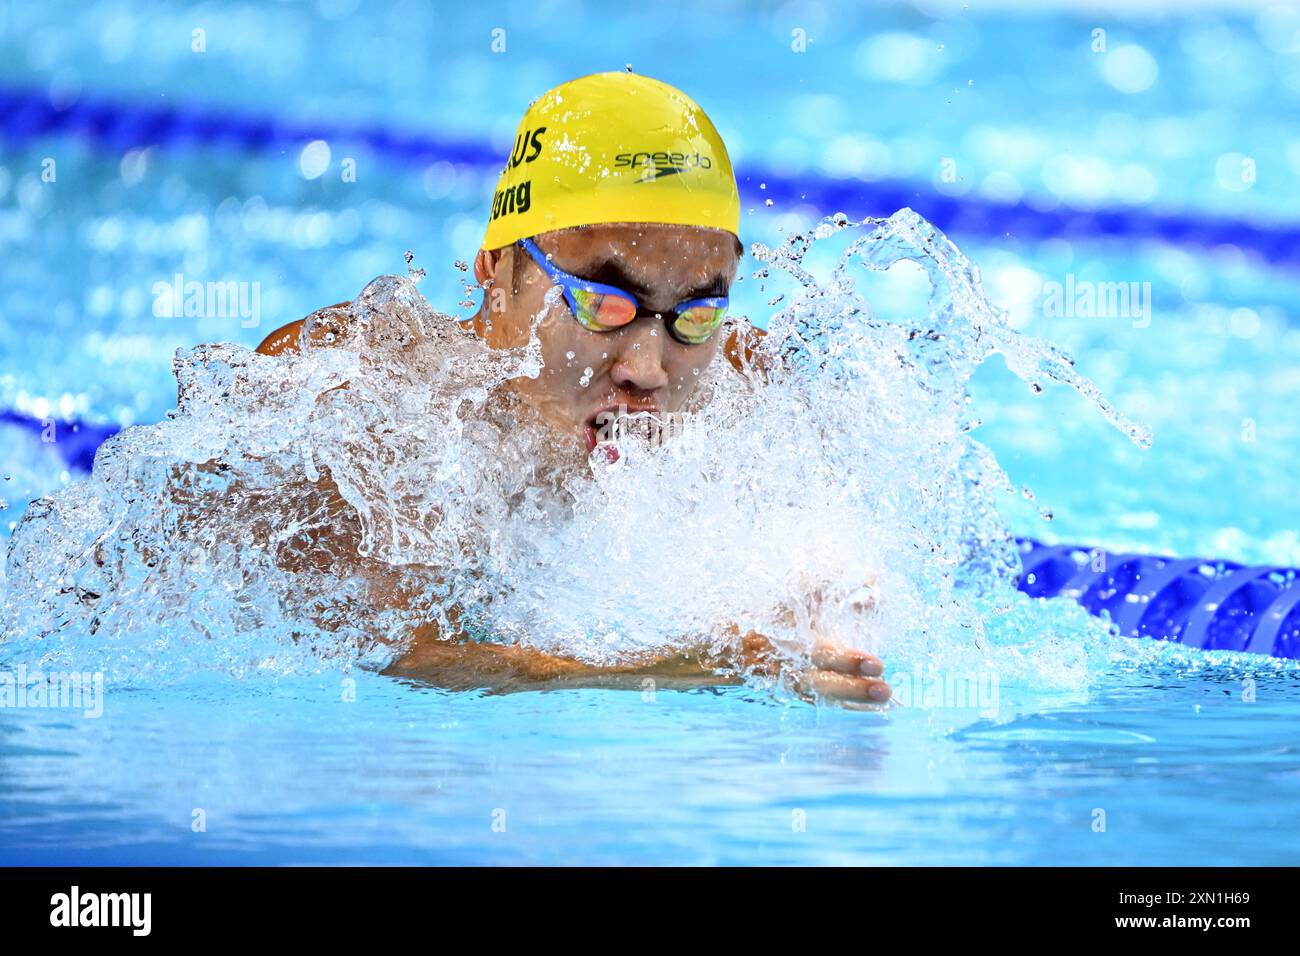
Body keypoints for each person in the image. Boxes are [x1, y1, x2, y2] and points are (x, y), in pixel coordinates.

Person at [254, 72, 891, 706]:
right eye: (601, 301)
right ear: (497, 270)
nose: (647, 368)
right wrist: (712, 665)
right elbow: (408, 659)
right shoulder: (361, 397)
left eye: (695, 313)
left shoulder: (746, 385)